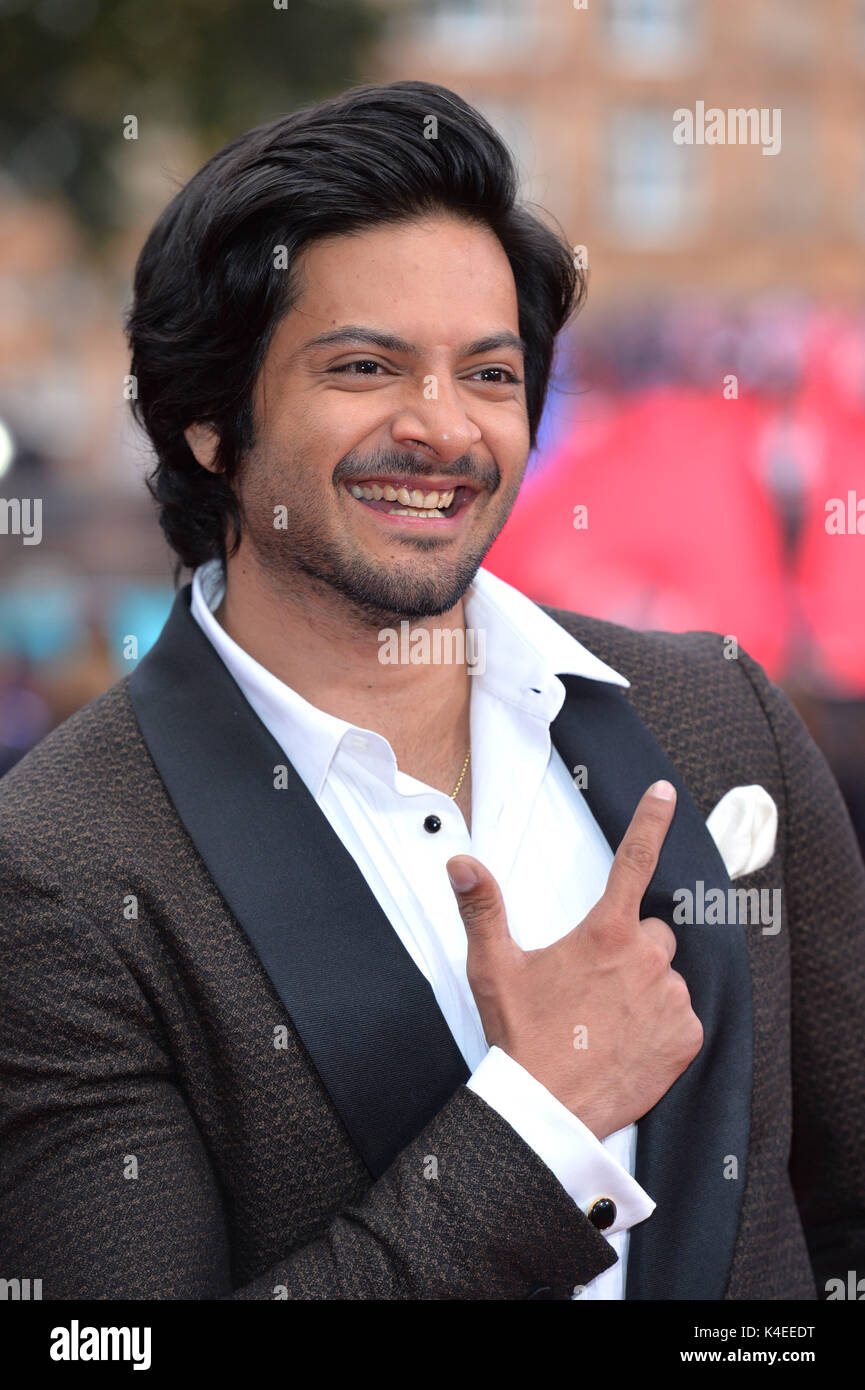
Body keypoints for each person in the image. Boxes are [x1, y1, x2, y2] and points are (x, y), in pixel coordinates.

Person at [1, 80, 863, 1301]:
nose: (441, 428)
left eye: (491, 375)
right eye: (365, 365)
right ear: (205, 418)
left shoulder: (722, 718)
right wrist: (536, 1128)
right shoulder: (55, 868)